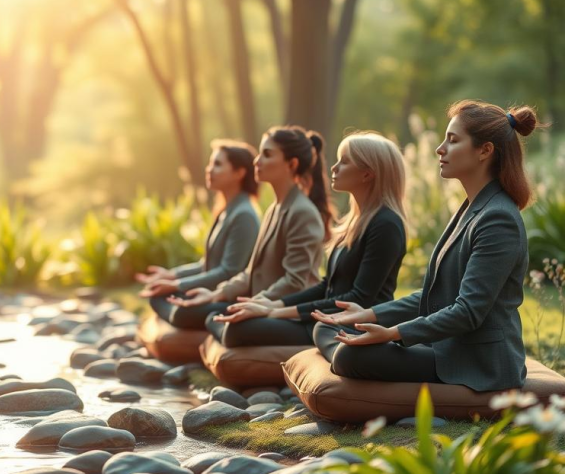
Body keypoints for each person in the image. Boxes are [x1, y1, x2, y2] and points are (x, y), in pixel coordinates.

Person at [312, 101, 539, 391]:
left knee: (349, 354)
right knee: (329, 327)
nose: (439, 148)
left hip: (476, 362)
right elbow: (435, 294)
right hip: (445, 347)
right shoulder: (473, 207)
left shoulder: (498, 219)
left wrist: (392, 334)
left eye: (453, 140)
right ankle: (350, 356)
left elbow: (468, 310)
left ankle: (347, 361)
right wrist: (367, 315)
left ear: (485, 151)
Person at [211, 132, 408, 348]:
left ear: (367, 174)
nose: (334, 168)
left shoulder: (386, 224)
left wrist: (275, 311)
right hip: (324, 318)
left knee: (236, 329)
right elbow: (327, 286)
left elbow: (358, 299)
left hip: (350, 325)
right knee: (223, 320)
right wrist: (273, 304)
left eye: (344, 161)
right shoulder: (354, 222)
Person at [168, 125, 332, 339]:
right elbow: (250, 272)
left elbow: (295, 282)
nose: (257, 161)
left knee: (220, 324)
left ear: (291, 164)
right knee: (209, 316)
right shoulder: (275, 208)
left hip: (285, 311)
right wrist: (215, 294)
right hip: (260, 302)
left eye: (267, 154)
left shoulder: (302, 212)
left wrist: (256, 303)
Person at [137, 140, 260, 323]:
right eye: (210, 163)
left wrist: (175, 285)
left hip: (227, 297)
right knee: (157, 297)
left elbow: (228, 272)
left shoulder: (244, 216)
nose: (209, 169)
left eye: (217, 164)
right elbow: (208, 264)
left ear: (239, 173)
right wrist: (171, 275)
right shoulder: (227, 210)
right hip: (209, 291)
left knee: (178, 310)